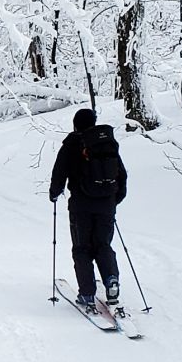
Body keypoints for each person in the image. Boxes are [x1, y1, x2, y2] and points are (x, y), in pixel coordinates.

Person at [48, 108, 129, 310]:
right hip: (106, 205)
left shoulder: (71, 144)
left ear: (76, 124)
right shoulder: (105, 144)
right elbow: (121, 175)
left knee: (82, 248)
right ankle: (111, 280)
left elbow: (59, 172)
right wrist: (113, 200)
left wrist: (54, 193)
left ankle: (87, 294)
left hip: (81, 207)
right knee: (103, 245)